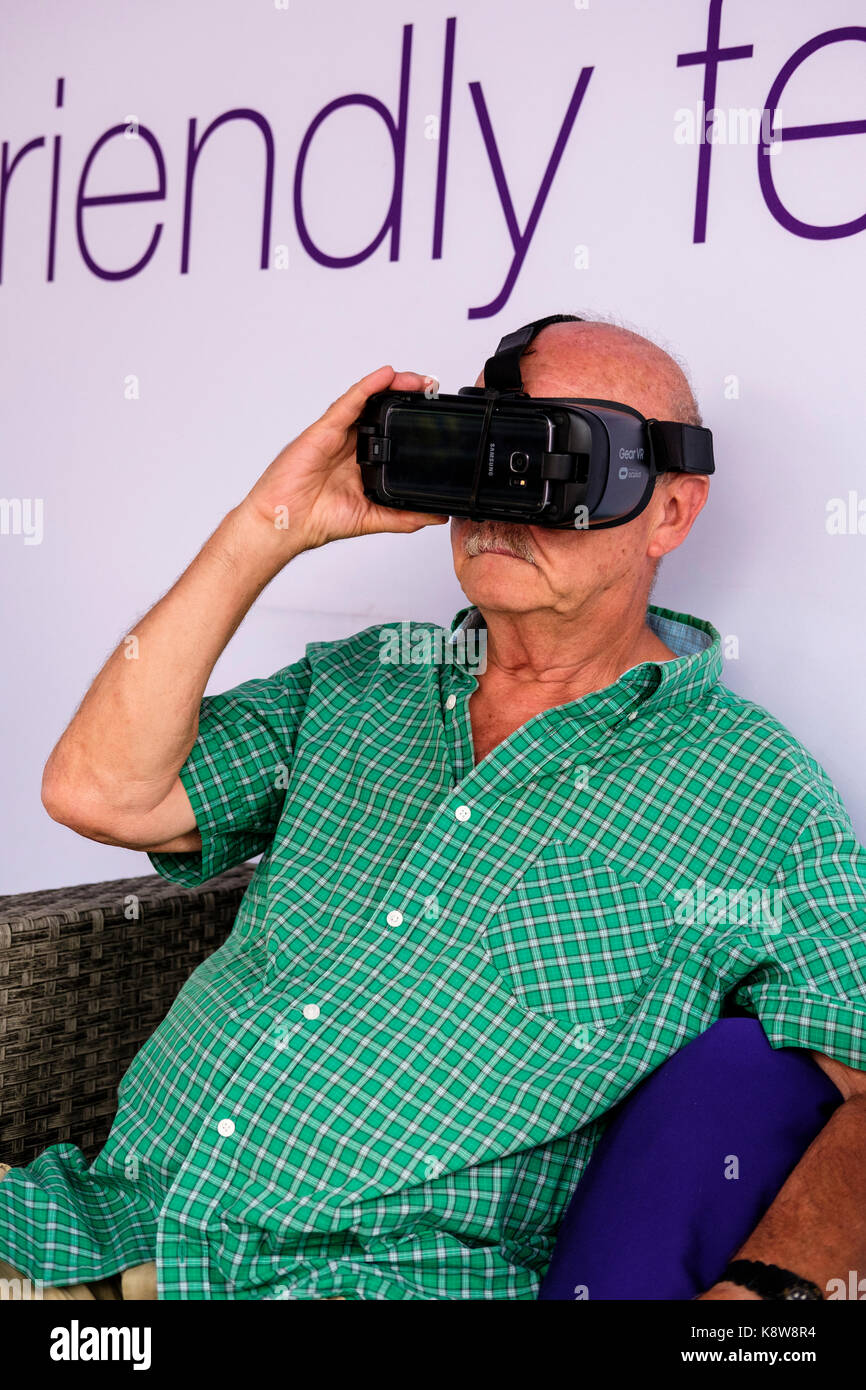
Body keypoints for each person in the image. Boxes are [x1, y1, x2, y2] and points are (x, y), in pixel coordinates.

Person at [3, 318, 865, 1301]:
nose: (497, 503)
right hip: (82, 1228)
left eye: (547, 459)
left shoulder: (749, 792)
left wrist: (765, 1296)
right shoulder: (365, 681)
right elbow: (98, 792)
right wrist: (266, 527)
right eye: (479, 451)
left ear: (668, 511)